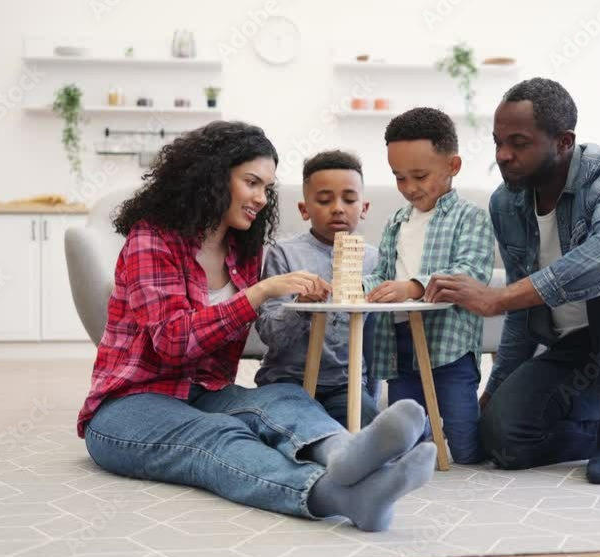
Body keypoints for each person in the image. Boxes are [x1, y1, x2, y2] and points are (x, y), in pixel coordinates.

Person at [77, 121, 436, 532]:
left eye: (266, 188)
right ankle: (334, 494)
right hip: (127, 405)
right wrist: (260, 292)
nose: (261, 199)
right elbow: (173, 342)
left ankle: (346, 455)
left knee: (282, 397)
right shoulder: (152, 239)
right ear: (213, 175)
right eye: (252, 183)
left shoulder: (242, 250)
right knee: (220, 434)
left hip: (204, 391)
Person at [425, 78, 600, 484]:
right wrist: (493, 396)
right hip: (576, 351)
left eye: (519, 143)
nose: (503, 156)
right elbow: (522, 315)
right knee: (503, 441)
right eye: (497, 142)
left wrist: (500, 298)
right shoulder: (506, 203)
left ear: (563, 142)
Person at [364, 108, 495, 464]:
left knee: (465, 449)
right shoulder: (396, 221)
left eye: (419, 176)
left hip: (448, 348)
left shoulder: (471, 218)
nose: (409, 188)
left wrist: (413, 287)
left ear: (453, 166)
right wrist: (357, 286)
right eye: (399, 177)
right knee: (407, 434)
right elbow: (384, 274)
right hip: (399, 344)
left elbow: (471, 272)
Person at [255, 150, 381, 429]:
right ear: (304, 209)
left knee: (367, 424)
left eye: (349, 200)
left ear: (364, 208)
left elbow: (374, 336)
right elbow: (269, 334)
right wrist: (301, 308)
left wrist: (370, 394)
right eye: (324, 200)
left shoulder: (374, 260)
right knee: (292, 426)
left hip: (344, 385)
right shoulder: (283, 255)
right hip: (287, 380)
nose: (338, 208)